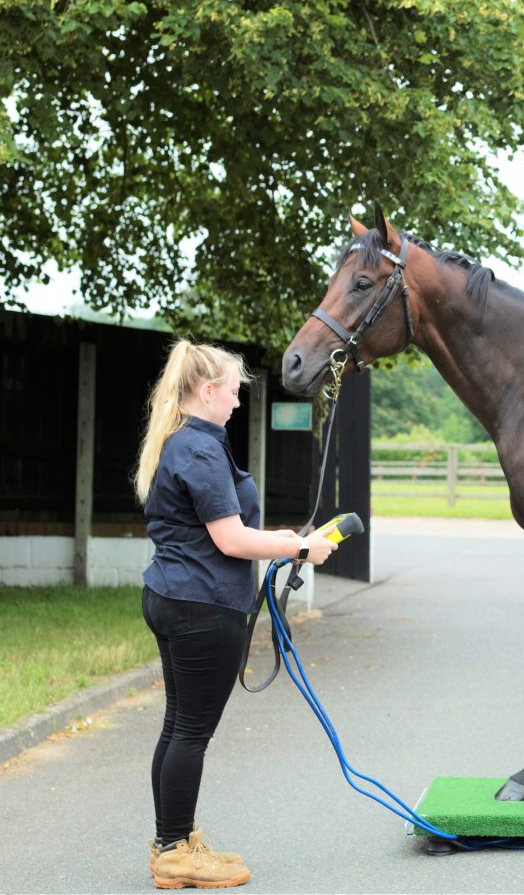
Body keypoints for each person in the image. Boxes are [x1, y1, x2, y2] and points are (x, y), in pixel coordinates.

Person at [133, 340, 337, 889]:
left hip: (175, 597)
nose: (238, 399)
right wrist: (299, 547)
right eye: (233, 389)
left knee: (179, 726)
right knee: (191, 732)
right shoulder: (199, 450)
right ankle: (175, 852)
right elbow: (228, 539)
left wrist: (286, 542)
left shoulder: (189, 442)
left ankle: (171, 840)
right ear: (208, 390)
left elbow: (220, 532)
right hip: (203, 606)